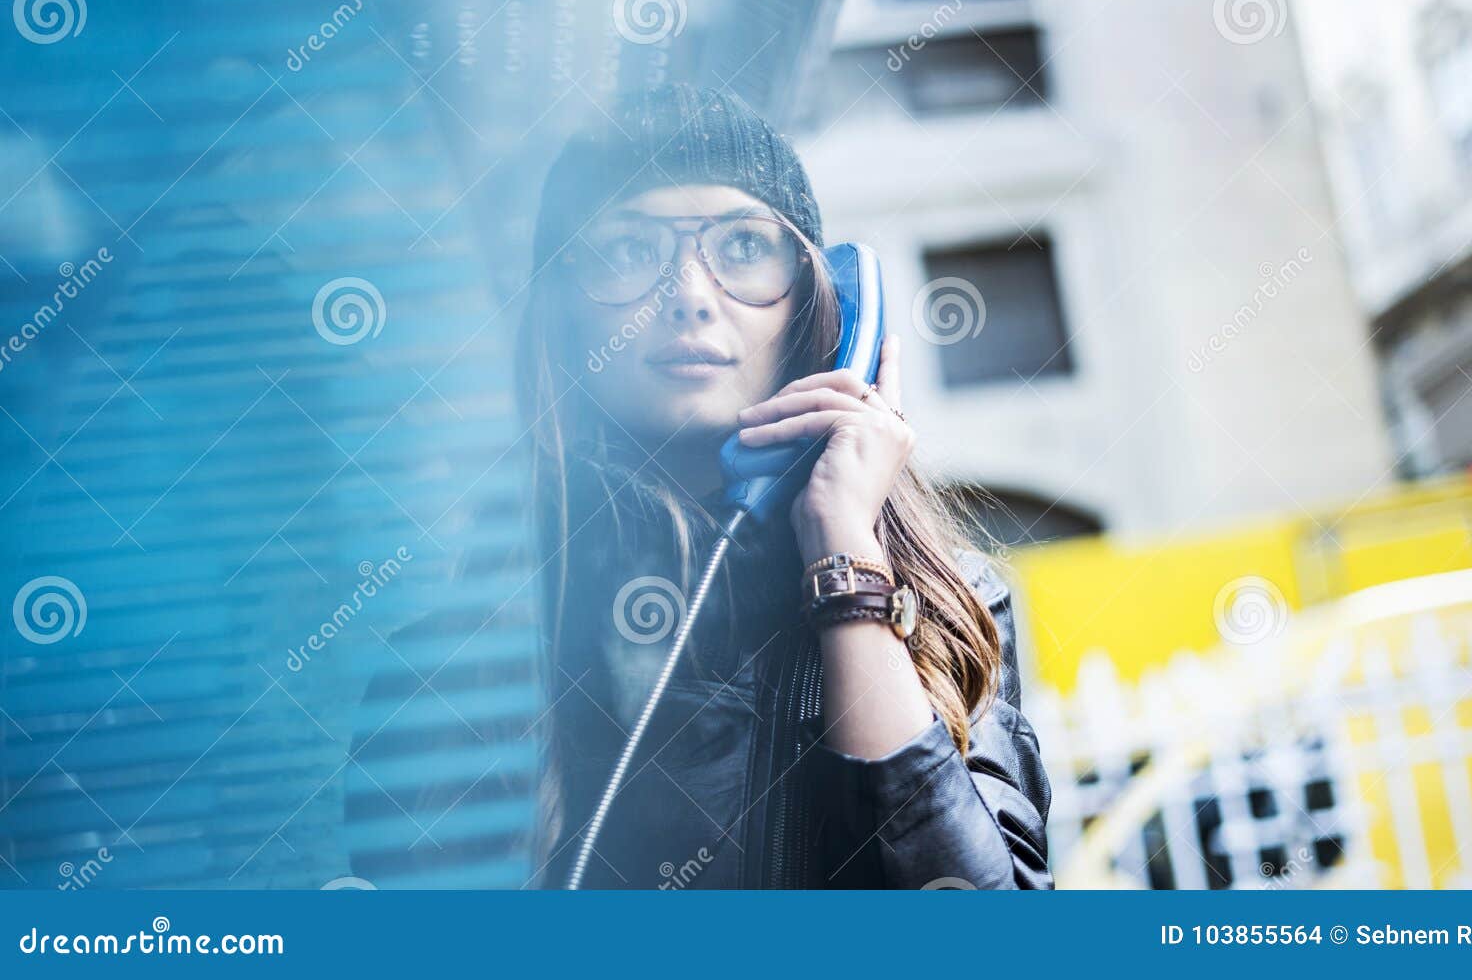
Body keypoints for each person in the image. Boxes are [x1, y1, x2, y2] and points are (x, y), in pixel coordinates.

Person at [352, 84, 1051, 890]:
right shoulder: (464, 652)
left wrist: (849, 573)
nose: (686, 294)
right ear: (561, 311)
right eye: (626, 250)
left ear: (819, 303)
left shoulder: (939, 601)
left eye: (745, 247)